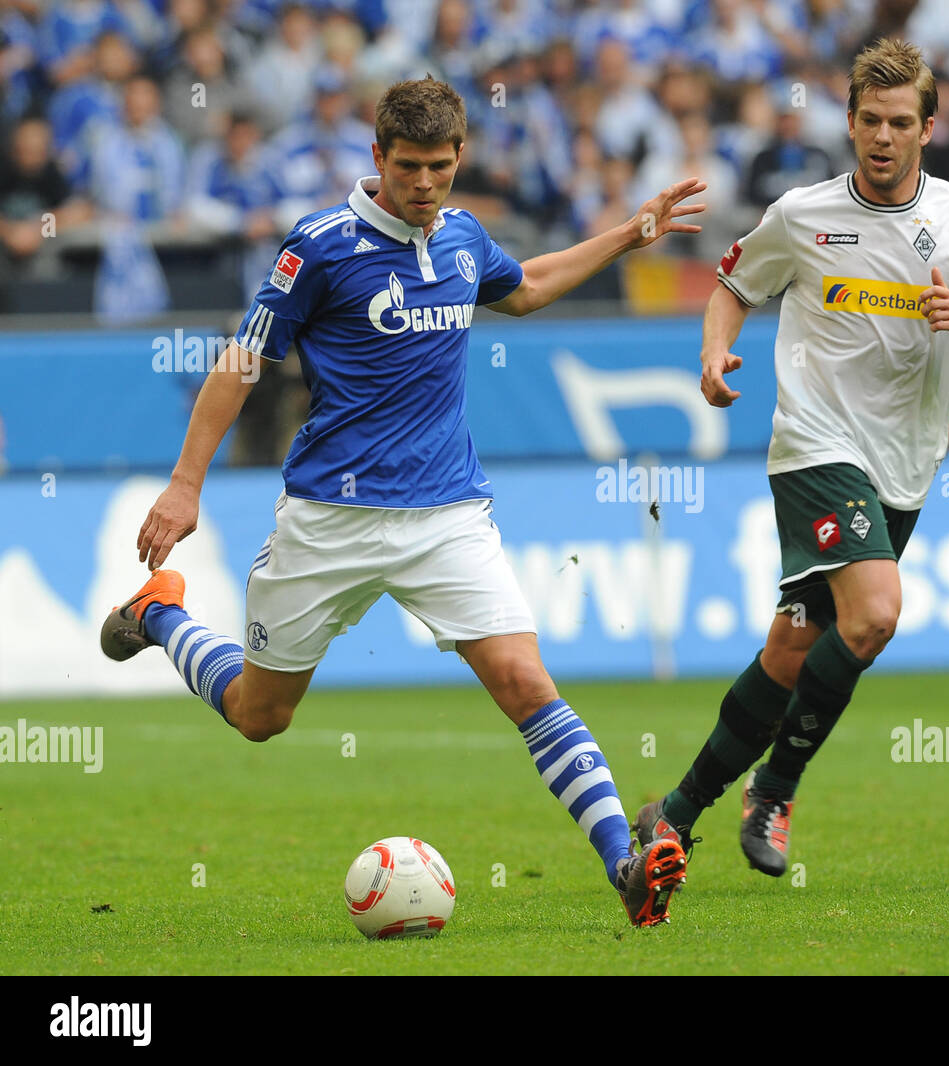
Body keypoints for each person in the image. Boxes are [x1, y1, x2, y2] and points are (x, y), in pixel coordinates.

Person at [98, 76, 706, 928]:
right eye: (411, 167)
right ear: (377, 157)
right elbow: (242, 360)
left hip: (448, 513)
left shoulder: (461, 236)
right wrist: (185, 483)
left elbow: (524, 286)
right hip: (329, 520)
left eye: (443, 168)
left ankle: (626, 863)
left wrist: (627, 235)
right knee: (259, 717)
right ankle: (162, 613)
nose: (427, 185)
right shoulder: (319, 247)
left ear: (460, 160)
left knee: (524, 680)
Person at [633, 38, 949, 878]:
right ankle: (774, 791)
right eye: (868, 121)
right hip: (814, 443)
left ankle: (671, 813)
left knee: (792, 650)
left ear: (929, 128)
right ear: (849, 122)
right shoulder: (803, 215)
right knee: (876, 613)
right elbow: (732, 286)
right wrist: (713, 357)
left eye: (900, 122)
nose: (882, 137)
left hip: (905, 462)